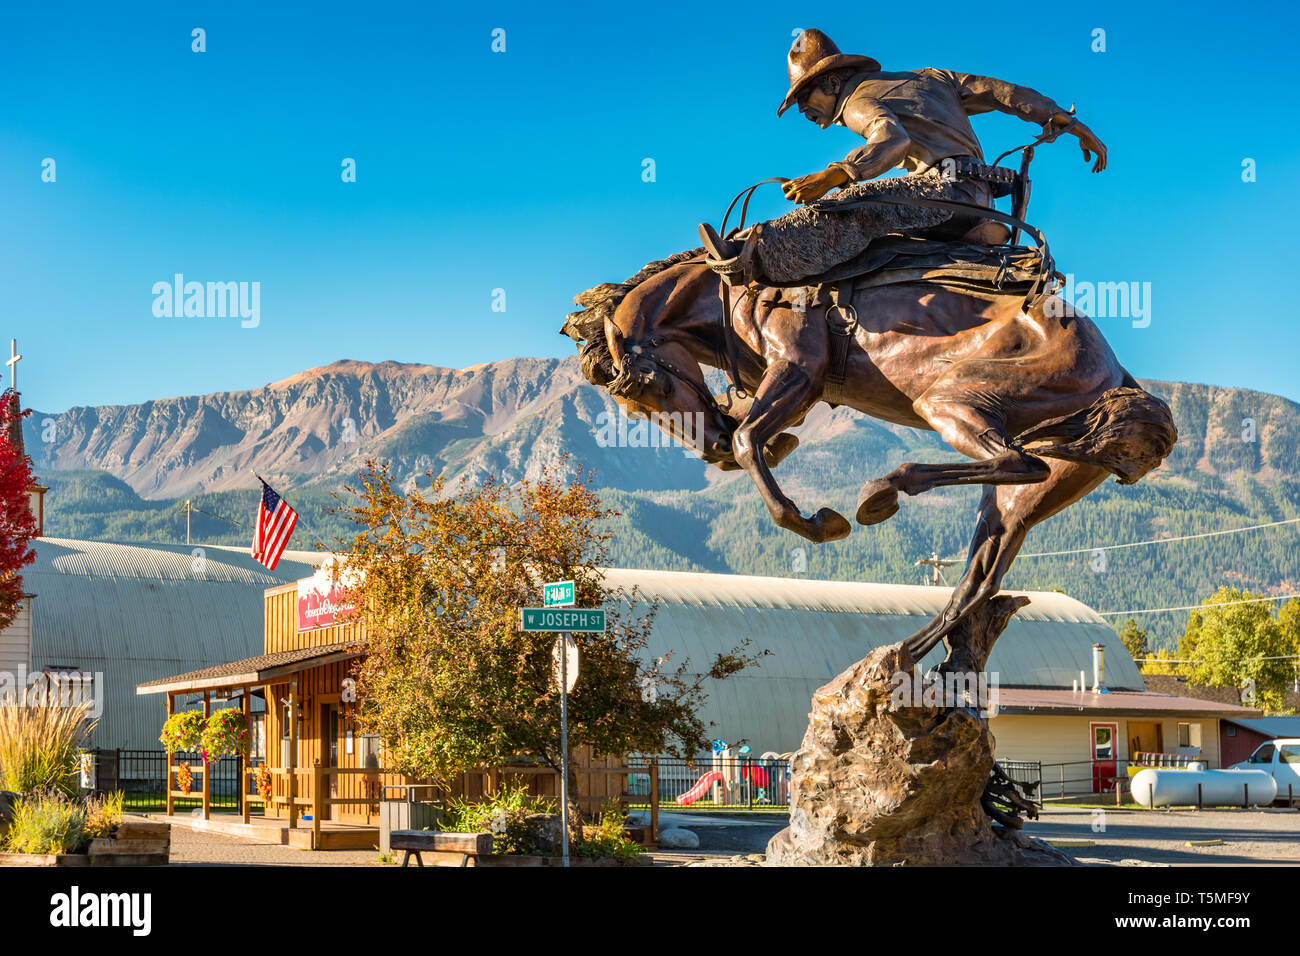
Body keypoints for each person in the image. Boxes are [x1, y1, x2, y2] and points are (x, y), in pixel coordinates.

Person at [699, 29, 1108, 287]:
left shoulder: (859, 99)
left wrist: (836, 175)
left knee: (844, 209)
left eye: (807, 102)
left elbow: (891, 141)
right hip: (983, 203)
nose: (814, 120)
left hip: (942, 197)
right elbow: (1006, 94)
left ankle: (750, 258)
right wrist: (1064, 119)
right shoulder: (935, 78)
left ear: (833, 81)